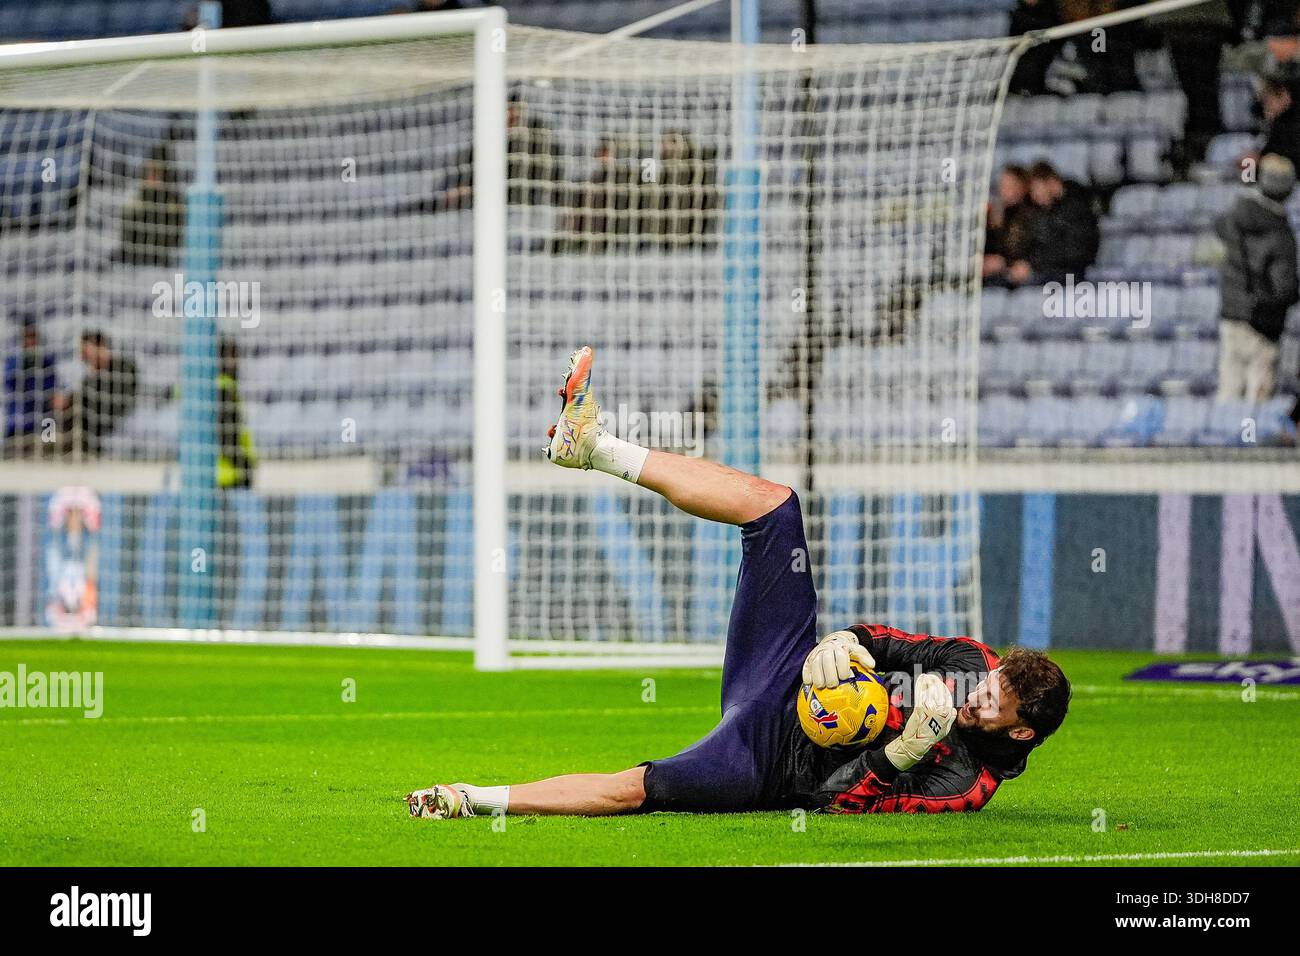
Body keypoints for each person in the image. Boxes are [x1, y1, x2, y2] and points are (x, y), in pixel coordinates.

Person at [405, 347, 1072, 819]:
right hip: (785, 676)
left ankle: (471, 797)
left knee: (635, 789)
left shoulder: (965, 781)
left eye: (993, 703)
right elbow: (888, 643)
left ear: (1019, 734)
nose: (980, 694)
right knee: (776, 506)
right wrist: (844, 643)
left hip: (764, 763)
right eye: (990, 684)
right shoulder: (973, 663)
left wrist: (903, 750)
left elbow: (829, 802)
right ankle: (595, 446)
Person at [1215, 153, 1300, 402]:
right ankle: (1250, 440)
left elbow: (1219, 227)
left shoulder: (1238, 214)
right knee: (1257, 400)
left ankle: (1226, 438)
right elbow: (1284, 288)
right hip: (1261, 324)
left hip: (1231, 315)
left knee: (1229, 390)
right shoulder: (1279, 234)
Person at [1007, 161, 1099, 286]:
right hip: (1050, 271)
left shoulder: (1078, 207)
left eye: (1036, 188)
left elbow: (1074, 252)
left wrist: (1033, 266)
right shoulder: (1046, 211)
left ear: (1050, 182)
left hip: (1071, 274)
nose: (1035, 196)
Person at [54, 330, 138, 457]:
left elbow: (113, 405)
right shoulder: (89, 380)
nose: (81, 356)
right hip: (91, 432)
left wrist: (70, 400)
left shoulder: (123, 369)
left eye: (84, 350)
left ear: (98, 347)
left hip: (112, 427)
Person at [119, 143, 185, 269]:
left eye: (156, 172)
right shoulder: (139, 199)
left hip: (162, 257)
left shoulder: (173, 201)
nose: (152, 176)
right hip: (137, 255)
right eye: (150, 171)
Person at [3, 318, 58, 455]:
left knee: (49, 451)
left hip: (44, 422)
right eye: (27, 337)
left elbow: (50, 391)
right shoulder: (12, 362)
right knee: (11, 458)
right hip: (17, 424)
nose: (30, 342)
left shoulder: (47, 362)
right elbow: (10, 385)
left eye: (33, 337)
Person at [983, 164, 1040, 286]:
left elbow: (1031, 248)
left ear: (1022, 187)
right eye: (1002, 185)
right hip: (1001, 271)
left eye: (1010, 185)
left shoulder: (1032, 214)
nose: (1004, 190)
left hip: (1026, 273)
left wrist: (1005, 263)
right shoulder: (997, 213)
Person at [217, 337, 256, 489]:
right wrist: (244, 464)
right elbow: (225, 435)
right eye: (232, 356)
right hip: (229, 476)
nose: (236, 362)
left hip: (224, 474)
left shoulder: (225, 386)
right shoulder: (224, 388)